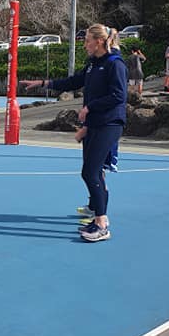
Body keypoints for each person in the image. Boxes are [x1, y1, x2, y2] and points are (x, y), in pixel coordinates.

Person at [21, 23, 127, 242]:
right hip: (94, 124)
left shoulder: (114, 64)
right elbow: (72, 82)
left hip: (109, 124)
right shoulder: (92, 64)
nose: (85, 44)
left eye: (88, 40)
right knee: (95, 172)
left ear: (99, 41)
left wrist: (90, 107)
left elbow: (118, 96)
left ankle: (102, 224)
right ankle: (97, 216)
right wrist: (43, 83)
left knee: (90, 172)